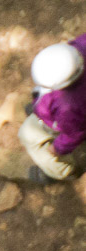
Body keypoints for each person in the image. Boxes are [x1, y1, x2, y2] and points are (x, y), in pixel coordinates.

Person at [21, 37, 86, 182]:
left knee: (26, 135)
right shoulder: (81, 45)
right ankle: (41, 112)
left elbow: (74, 135)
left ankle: (62, 172)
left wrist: (56, 149)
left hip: (73, 120)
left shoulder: (68, 107)